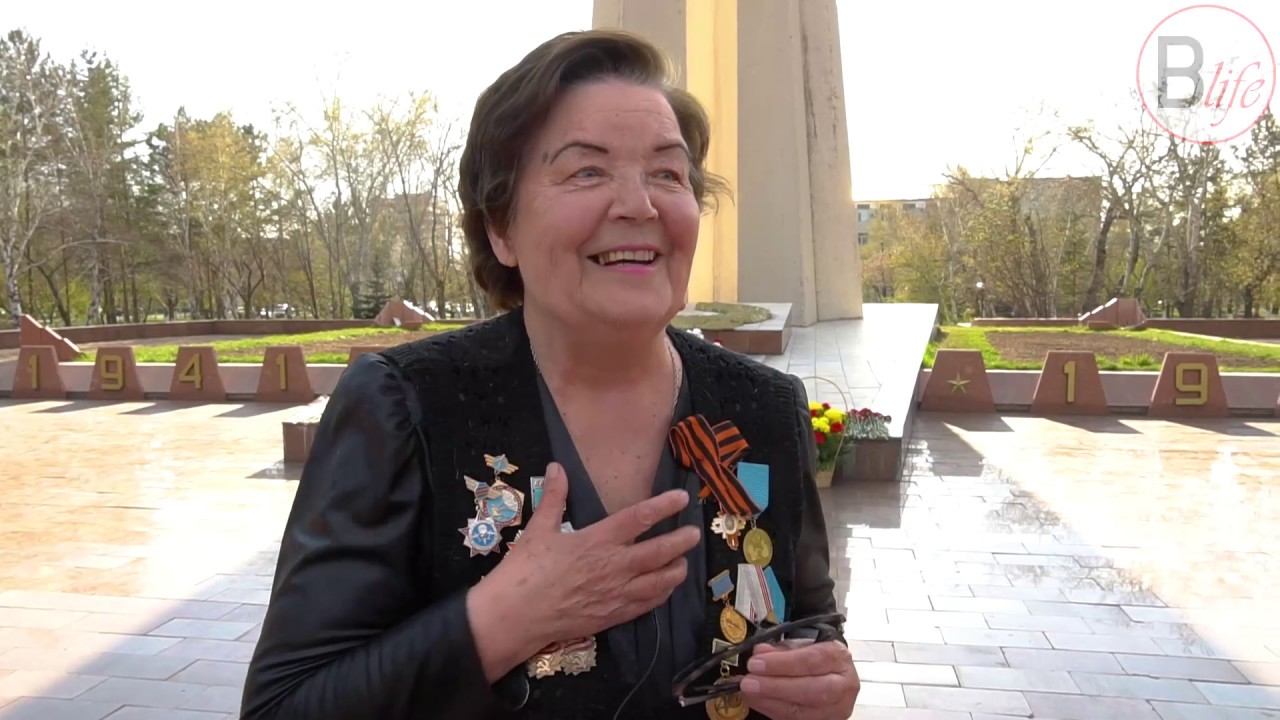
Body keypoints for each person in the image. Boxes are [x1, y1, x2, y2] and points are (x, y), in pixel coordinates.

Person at [240, 29, 859, 720]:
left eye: (667, 173)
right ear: (501, 229)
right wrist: (502, 621)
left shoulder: (764, 406)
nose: (640, 205)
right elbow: (283, 706)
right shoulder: (406, 405)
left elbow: (810, 622)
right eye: (587, 171)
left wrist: (822, 683)